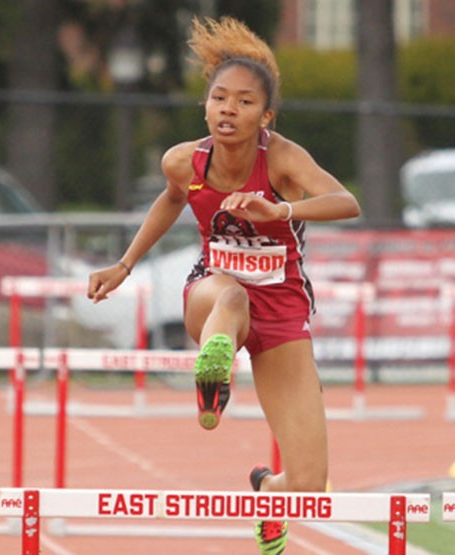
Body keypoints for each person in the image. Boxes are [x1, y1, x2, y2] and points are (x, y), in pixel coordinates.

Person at [87, 16, 360, 554]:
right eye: (218, 99)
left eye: (243, 102)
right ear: (205, 106)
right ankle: (215, 368)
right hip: (213, 296)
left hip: (282, 311)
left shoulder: (280, 157)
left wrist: (279, 208)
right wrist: (124, 264)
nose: (228, 110)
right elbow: (171, 199)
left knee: (307, 484)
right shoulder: (184, 161)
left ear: (266, 116)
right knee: (231, 295)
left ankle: (267, 491)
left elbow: (346, 203)